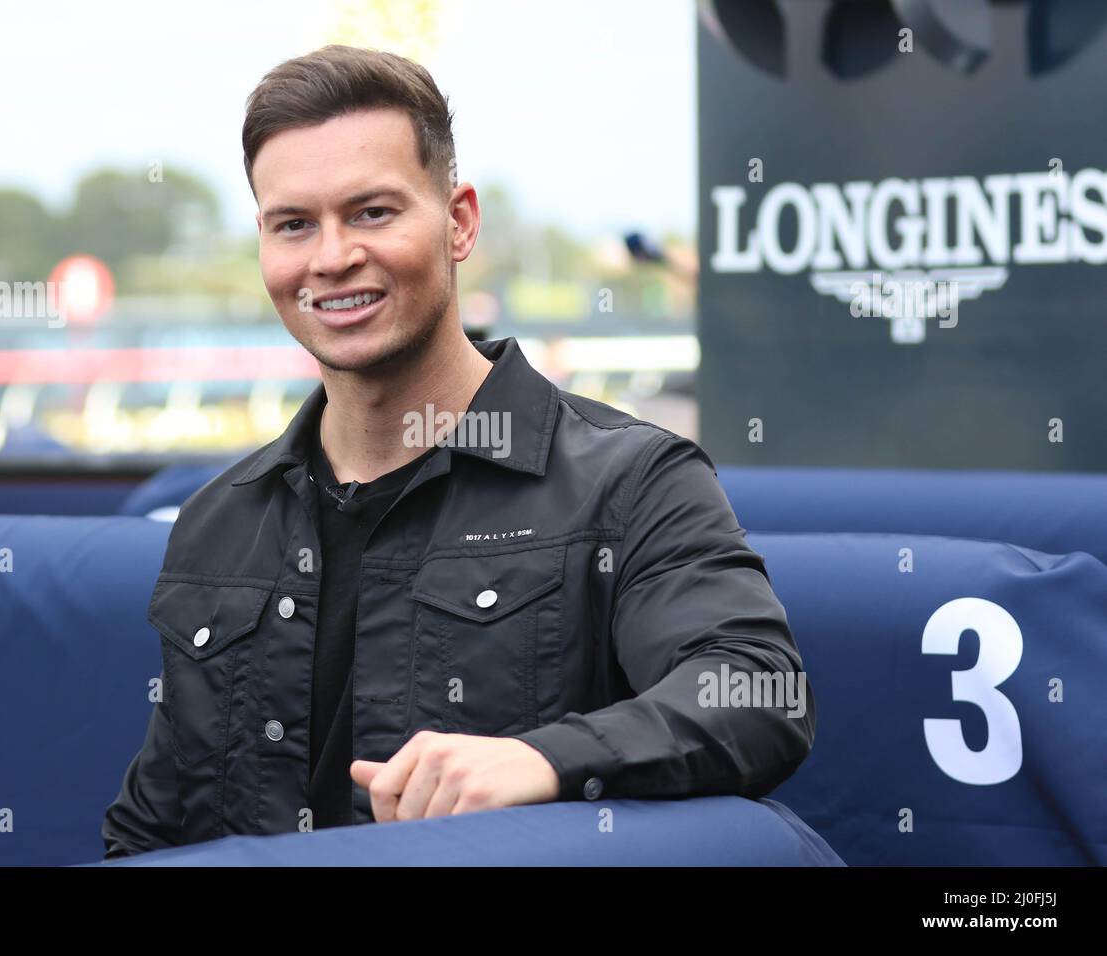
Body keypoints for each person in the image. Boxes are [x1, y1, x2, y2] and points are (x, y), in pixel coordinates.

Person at [102, 44, 815, 859]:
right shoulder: (219, 521)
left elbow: (761, 693)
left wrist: (543, 761)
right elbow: (150, 834)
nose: (332, 257)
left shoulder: (632, 481)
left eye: (372, 212)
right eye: (294, 224)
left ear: (459, 221)